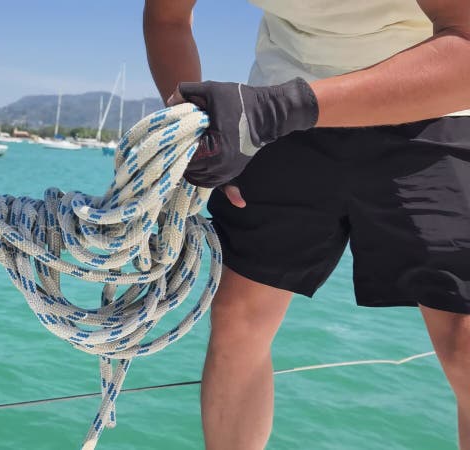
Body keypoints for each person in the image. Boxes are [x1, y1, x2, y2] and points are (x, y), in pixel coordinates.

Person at [143, 0, 470, 448]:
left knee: (464, 339)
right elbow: (168, 17)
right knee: (238, 321)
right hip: (280, 114)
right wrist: (202, 129)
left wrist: (274, 109)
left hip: (431, 106)